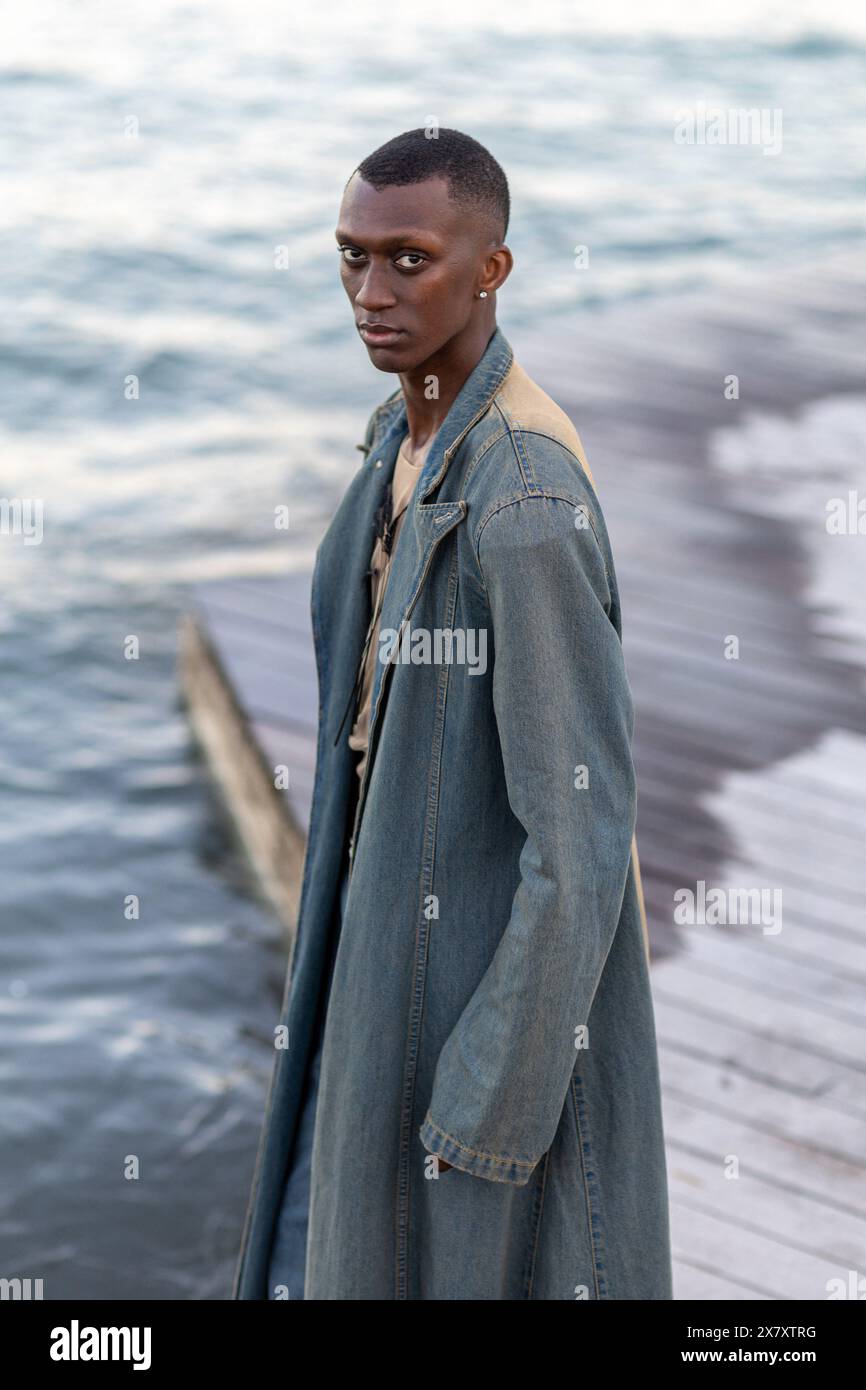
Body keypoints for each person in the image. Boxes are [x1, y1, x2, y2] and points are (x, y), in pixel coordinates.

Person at [233, 127, 673, 1301]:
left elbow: (578, 838)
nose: (370, 295)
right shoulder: (402, 433)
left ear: (492, 268)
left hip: (471, 989)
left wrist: (485, 1097)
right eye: (349, 259)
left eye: (409, 260)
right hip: (383, 940)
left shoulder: (520, 497)